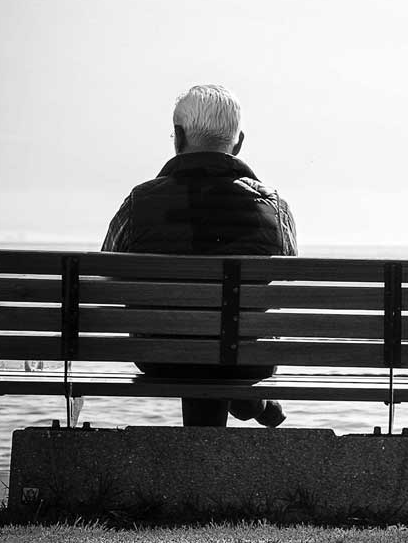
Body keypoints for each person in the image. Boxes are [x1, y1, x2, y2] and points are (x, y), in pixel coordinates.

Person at [101, 85, 296, 428]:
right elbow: (288, 279)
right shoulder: (274, 207)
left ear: (178, 138)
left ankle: (244, 407)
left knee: (196, 342)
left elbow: (107, 276)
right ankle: (249, 401)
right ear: (238, 142)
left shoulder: (139, 203)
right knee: (226, 343)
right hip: (248, 358)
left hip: (160, 356)